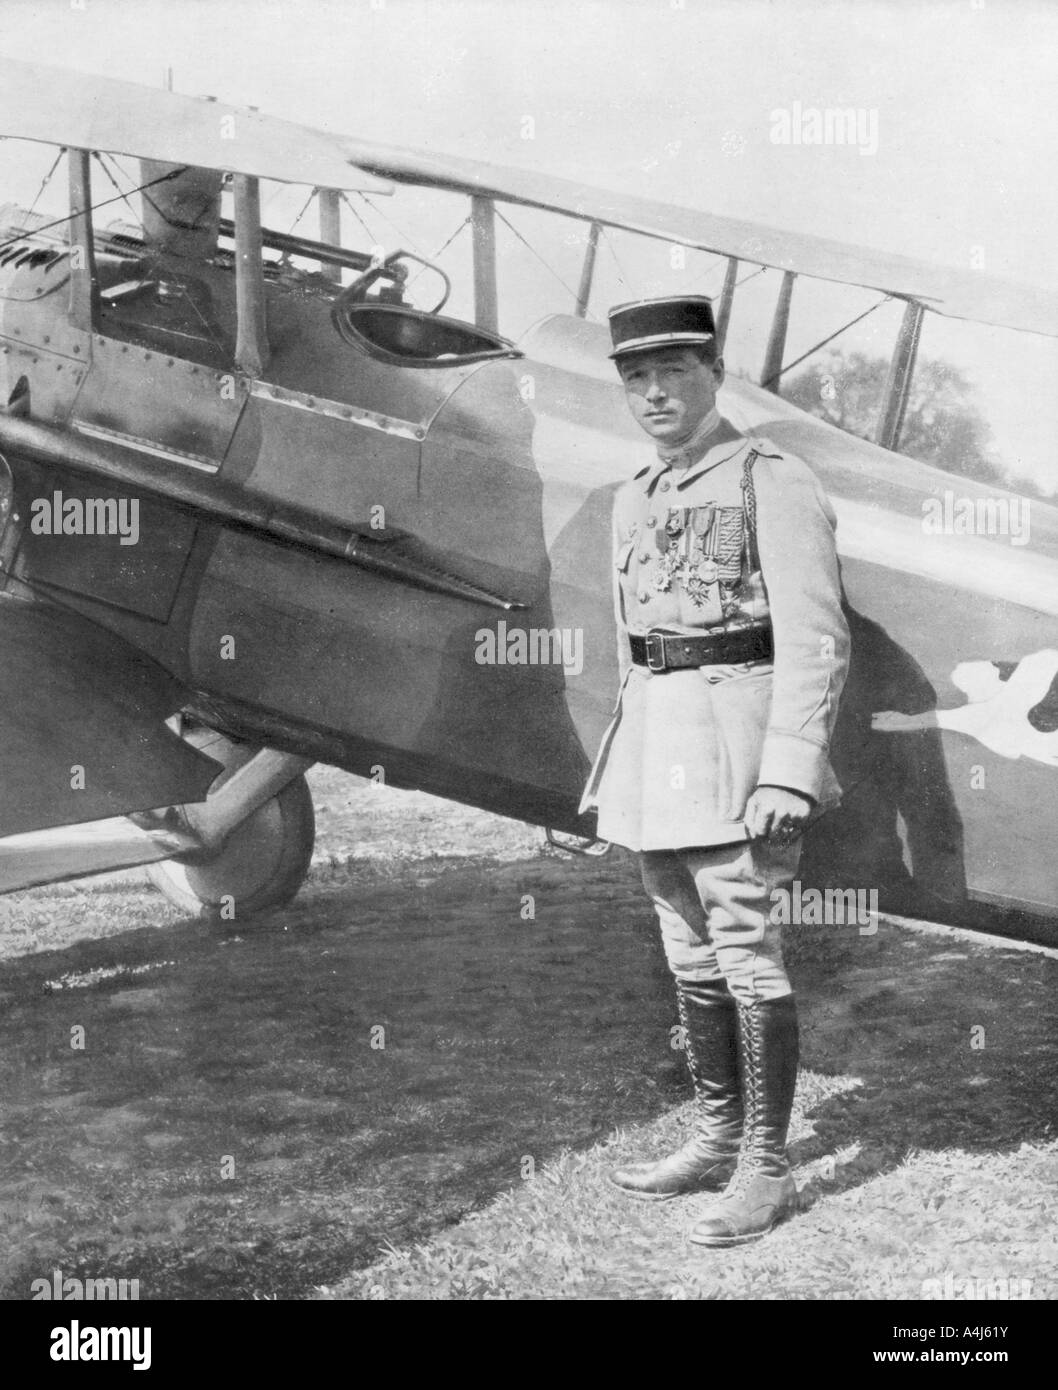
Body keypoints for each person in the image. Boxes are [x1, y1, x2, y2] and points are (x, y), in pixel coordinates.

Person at [580, 294, 850, 1245]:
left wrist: (788, 770)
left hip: (737, 748)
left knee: (744, 951)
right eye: (635, 378)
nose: (653, 394)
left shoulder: (771, 478)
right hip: (660, 747)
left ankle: (767, 1171)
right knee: (685, 953)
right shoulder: (636, 494)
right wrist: (625, 766)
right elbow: (636, 647)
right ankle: (714, 1138)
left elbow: (817, 640)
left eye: (673, 374)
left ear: (715, 375)